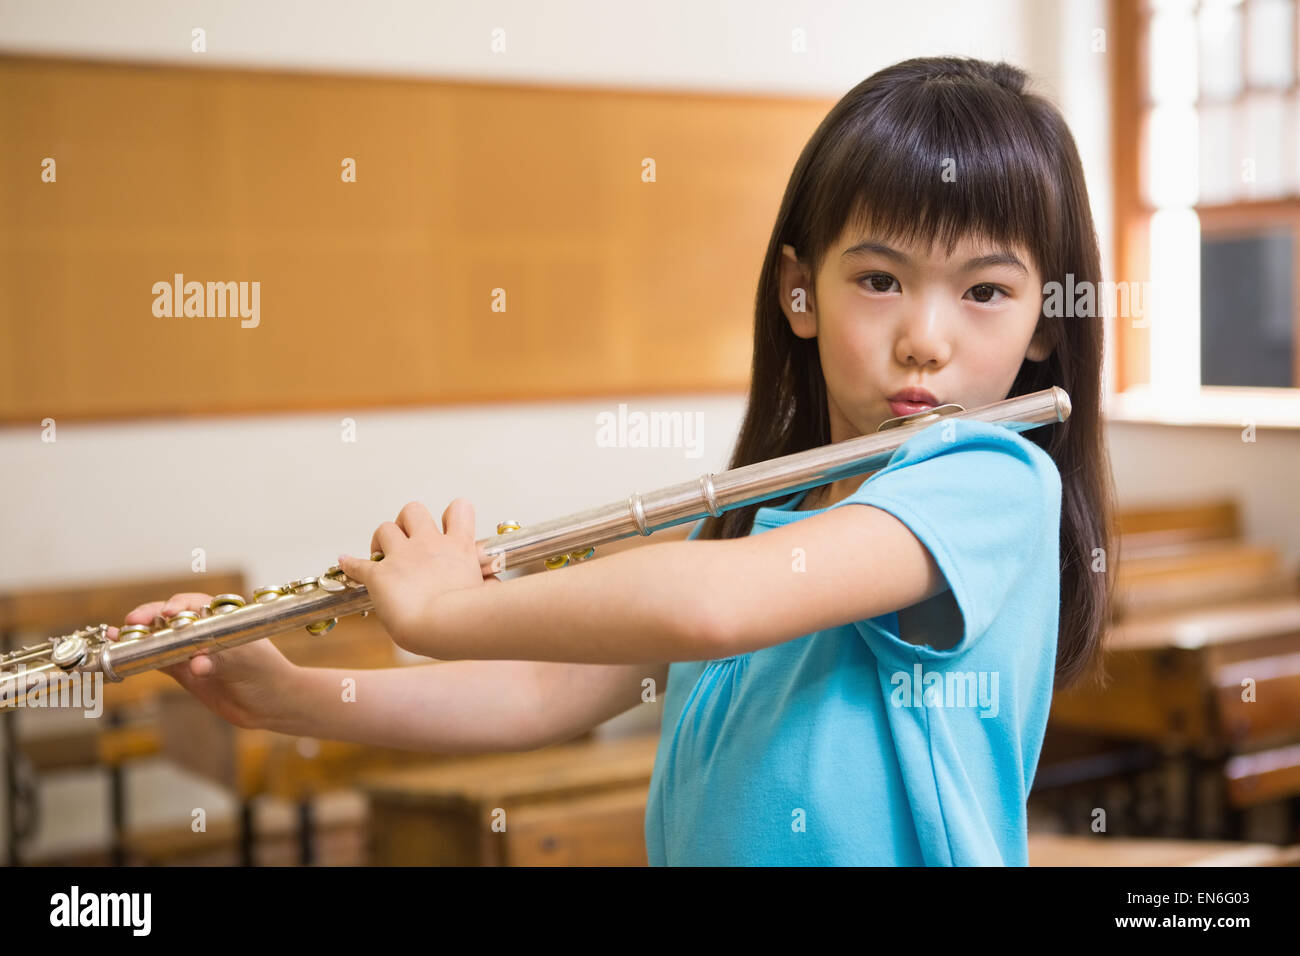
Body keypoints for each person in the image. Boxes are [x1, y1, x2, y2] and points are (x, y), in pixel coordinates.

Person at [113, 55, 1115, 865]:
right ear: (800, 294)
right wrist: (296, 696)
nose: (924, 339)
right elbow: (542, 692)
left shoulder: (992, 479)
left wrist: (450, 609)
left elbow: (717, 605)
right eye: (880, 279)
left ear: (1042, 322)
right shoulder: (778, 497)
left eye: (983, 291)